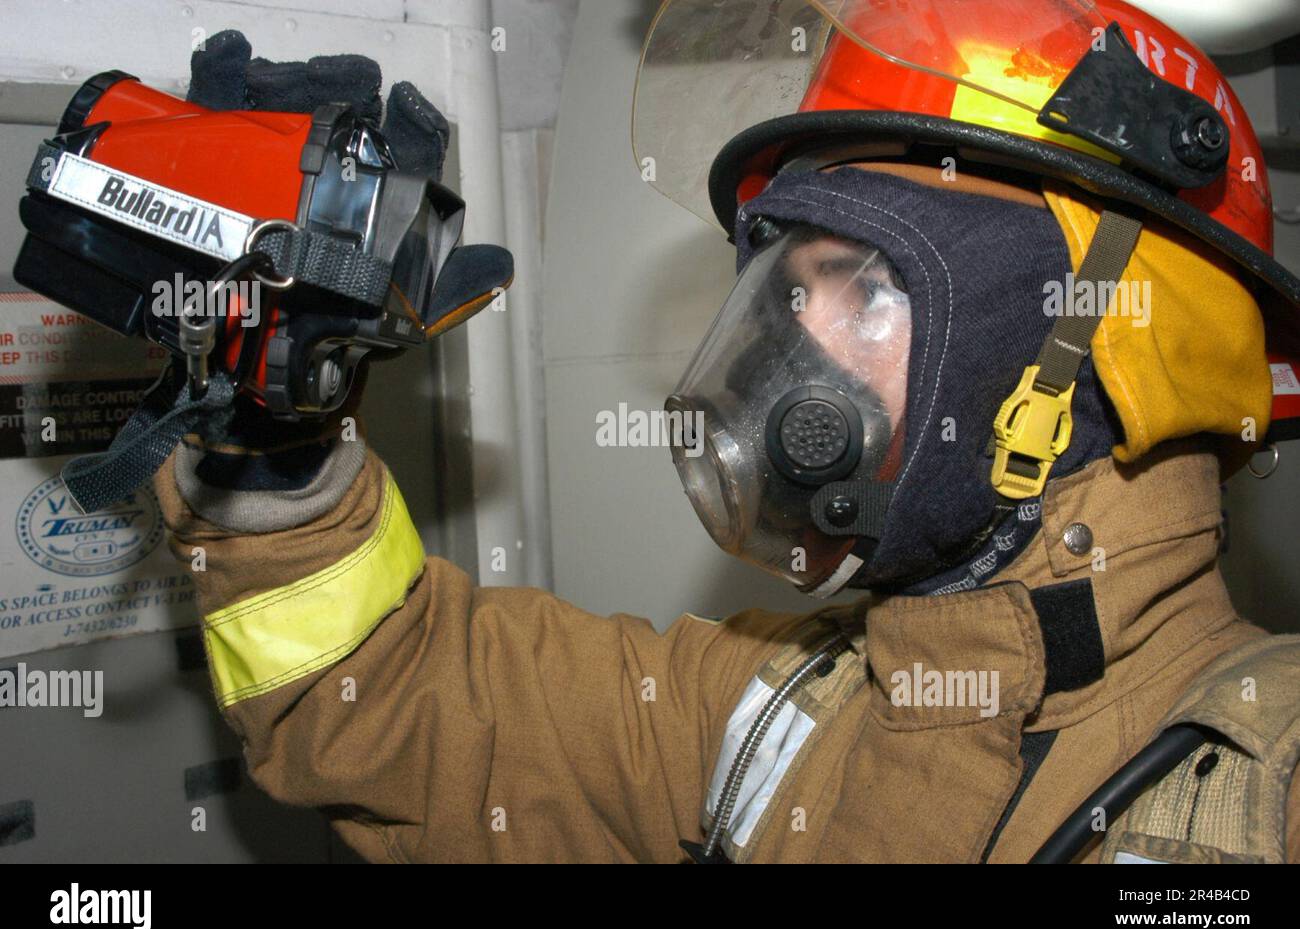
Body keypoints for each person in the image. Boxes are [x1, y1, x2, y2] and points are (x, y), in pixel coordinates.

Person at [158, 1, 1300, 863]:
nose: (787, 355)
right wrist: (276, 419)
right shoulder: (771, 708)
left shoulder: (1266, 778)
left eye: (858, 291)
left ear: (1098, 345)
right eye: (785, 296)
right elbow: (388, 701)